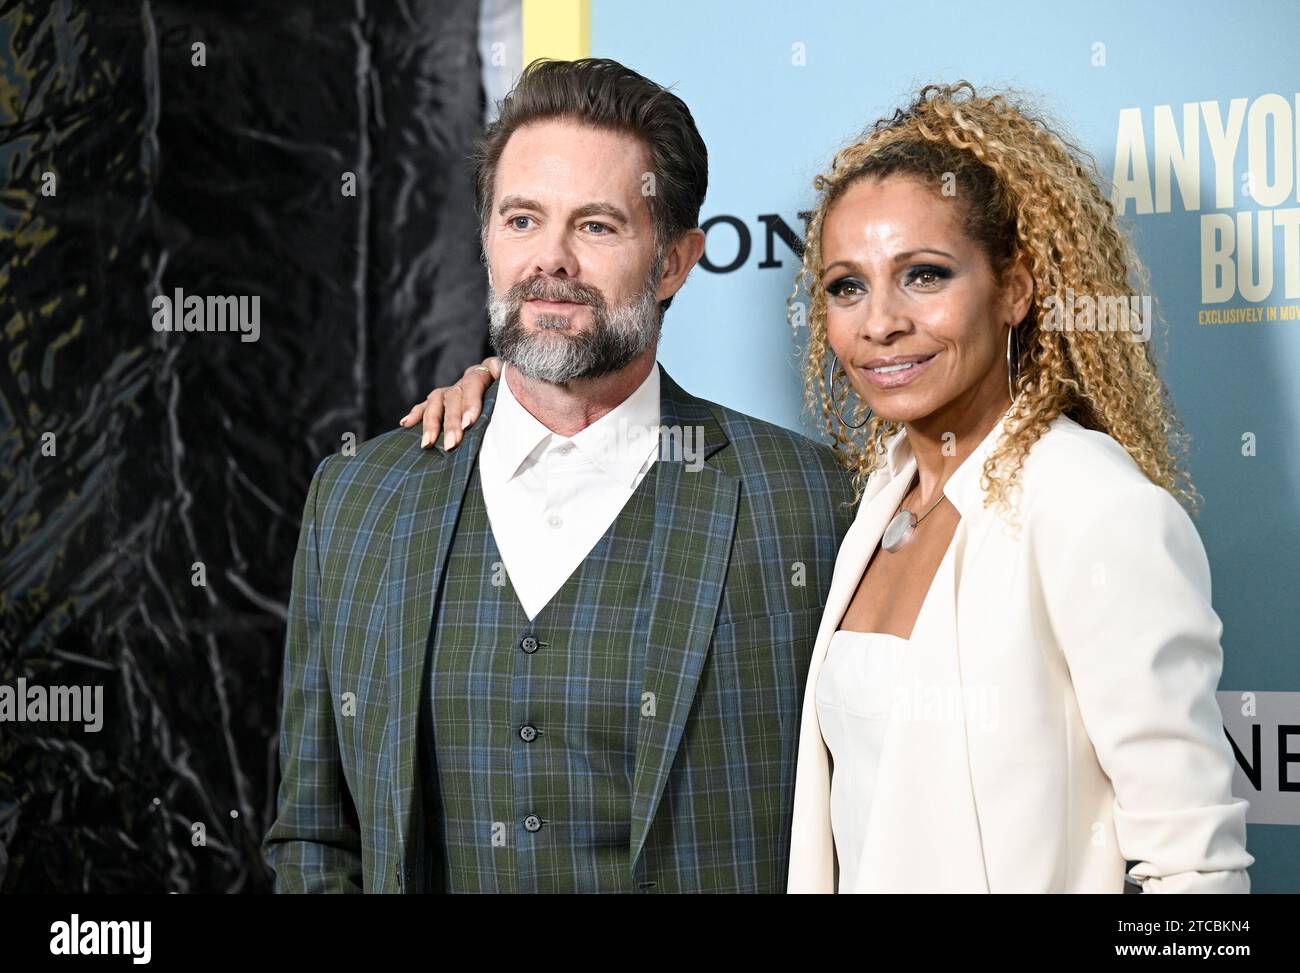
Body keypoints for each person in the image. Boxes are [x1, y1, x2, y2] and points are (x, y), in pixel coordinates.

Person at [418, 82, 1253, 893]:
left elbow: (1198, 871)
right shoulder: (871, 503)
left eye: (925, 274)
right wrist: (517, 388)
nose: (880, 320)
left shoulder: (1092, 507)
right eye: (847, 285)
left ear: (1018, 287)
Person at [263, 57, 854, 894]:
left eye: (598, 226)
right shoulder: (360, 498)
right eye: (522, 220)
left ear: (676, 261)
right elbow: (315, 839)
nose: (553, 260)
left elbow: (875, 826)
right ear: (486, 240)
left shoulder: (808, 502)